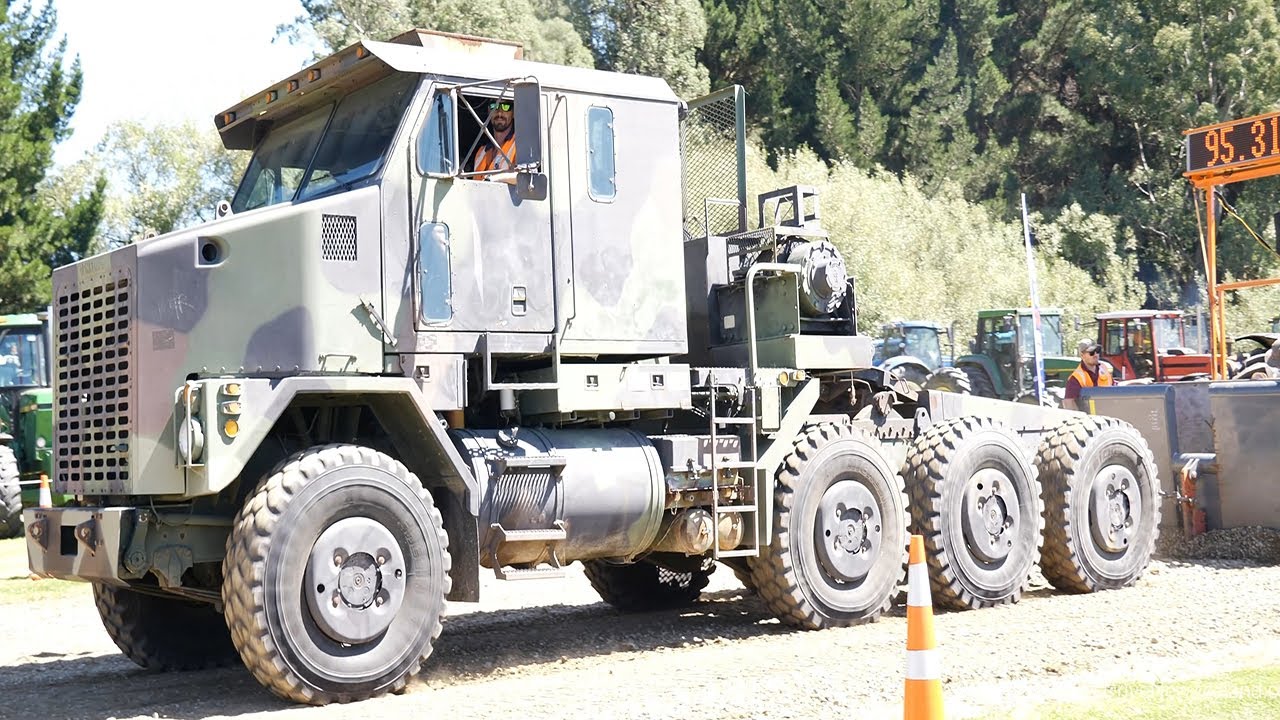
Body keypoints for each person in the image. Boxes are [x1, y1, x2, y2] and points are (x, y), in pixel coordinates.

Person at [1064, 338, 1113, 411]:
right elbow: (1069, 404)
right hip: (1091, 419)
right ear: (1082, 355)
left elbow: (1115, 387)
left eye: (1097, 351)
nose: (1096, 354)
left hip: (1110, 413)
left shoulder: (1104, 368)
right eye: (1091, 352)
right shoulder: (1075, 378)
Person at [472, 98, 515, 175]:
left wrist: (493, 180)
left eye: (506, 106)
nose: (499, 113)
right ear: (489, 111)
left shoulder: (521, 146)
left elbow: (526, 178)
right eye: (494, 106)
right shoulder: (480, 152)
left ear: (514, 112)